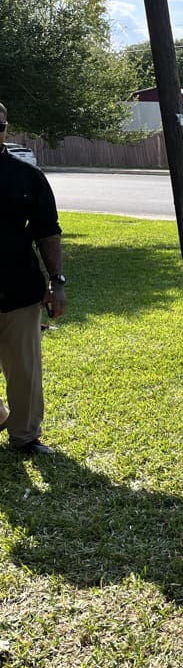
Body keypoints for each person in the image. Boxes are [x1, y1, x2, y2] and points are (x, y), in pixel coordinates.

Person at [1, 101, 67, 455]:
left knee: (25, 371)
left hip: (19, 289)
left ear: (6, 128)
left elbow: (47, 230)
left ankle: (25, 437)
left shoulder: (27, 177)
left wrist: (57, 281)